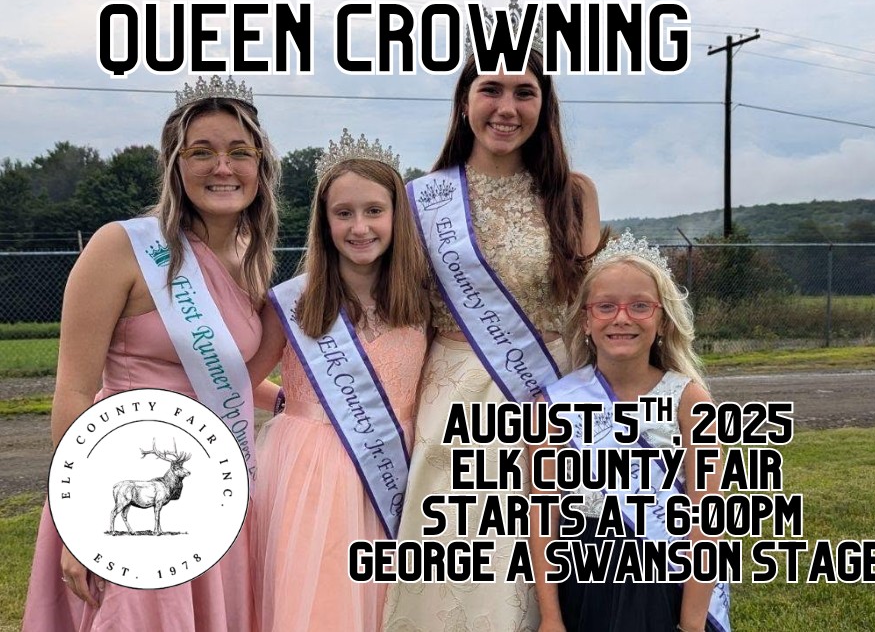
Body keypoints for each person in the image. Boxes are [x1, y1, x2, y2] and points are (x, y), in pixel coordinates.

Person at [22, 75, 280, 632]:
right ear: (174, 165)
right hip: (125, 468)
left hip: (215, 482)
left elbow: (225, 375)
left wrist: (296, 404)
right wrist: (83, 522)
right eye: (202, 152)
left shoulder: (251, 261)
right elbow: (71, 393)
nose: (223, 167)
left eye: (240, 152)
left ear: (260, 166)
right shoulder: (121, 247)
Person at [384, 43, 603, 631]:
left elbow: (587, 307)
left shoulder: (573, 193)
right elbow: (396, 307)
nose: (506, 107)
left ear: (544, 106)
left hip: (551, 391)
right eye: (491, 89)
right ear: (464, 103)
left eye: (524, 92)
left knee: (553, 549)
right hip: (453, 396)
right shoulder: (421, 199)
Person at [249, 129, 430, 632]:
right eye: (343, 213)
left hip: (402, 470)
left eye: (374, 210)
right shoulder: (293, 302)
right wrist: (291, 403)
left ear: (397, 217)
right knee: (322, 602)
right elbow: (237, 383)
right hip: (310, 475)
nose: (360, 227)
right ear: (324, 222)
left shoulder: (424, 303)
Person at [530, 232, 731, 632]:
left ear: (661, 319)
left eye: (640, 306)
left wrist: (691, 624)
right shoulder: (551, 406)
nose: (622, 318)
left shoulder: (690, 400)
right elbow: (544, 516)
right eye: (606, 307)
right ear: (586, 320)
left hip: (665, 587)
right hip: (586, 583)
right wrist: (551, 616)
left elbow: (709, 522)